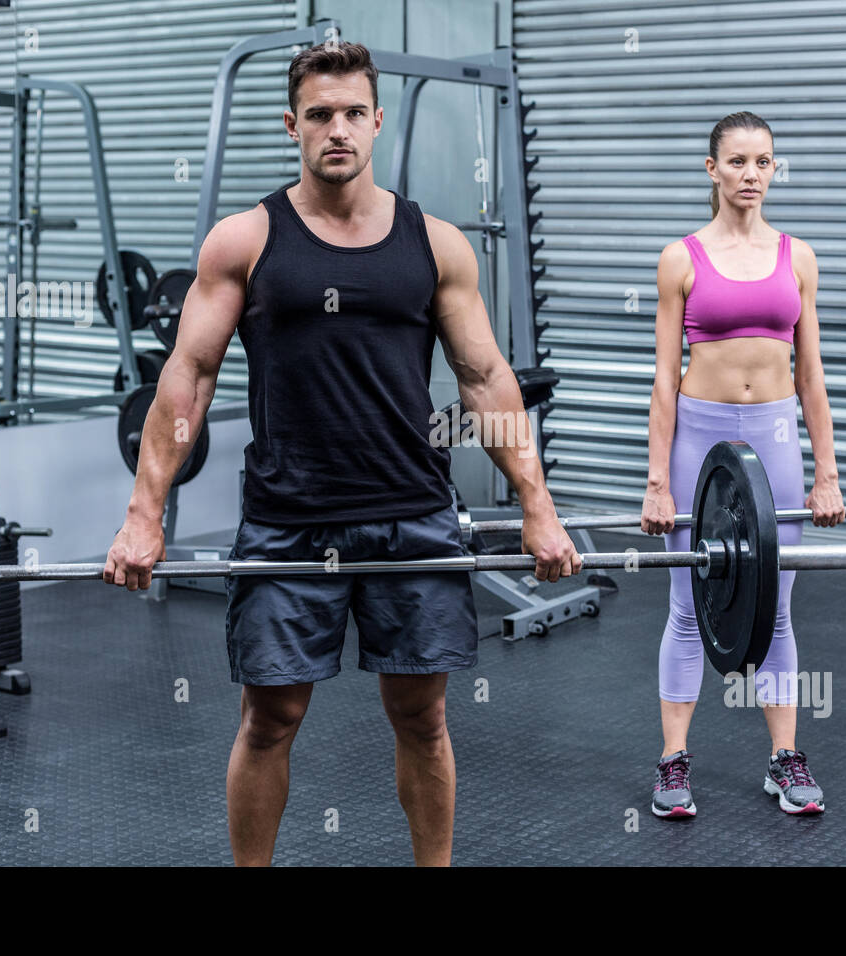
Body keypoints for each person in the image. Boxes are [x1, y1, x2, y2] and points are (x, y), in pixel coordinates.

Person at [102, 41, 580, 865]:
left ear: (377, 123)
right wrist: (145, 516)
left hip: (414, 514)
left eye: (354, 113)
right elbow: (186, 381)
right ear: (293, 124)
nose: (338, 129)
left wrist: (537, 508)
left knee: (423, 719)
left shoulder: (435, 243)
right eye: (320, 114)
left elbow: (486, 379)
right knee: (269, 720)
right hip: (290, 521)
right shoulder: (245, 242)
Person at [640, 111, 845, 818]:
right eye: (737, 162)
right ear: (712, 169)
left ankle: (784, 761)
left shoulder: (799, 257)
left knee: (778, 608)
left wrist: (827, 473)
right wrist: (658, 480)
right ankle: (672, 764)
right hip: (699, 437)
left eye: (763, 162)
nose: (751, 175)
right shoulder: (680, 258)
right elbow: (664, 379)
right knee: (689, 609)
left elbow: (812, 376)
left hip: (777, 439)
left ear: (774, 169)